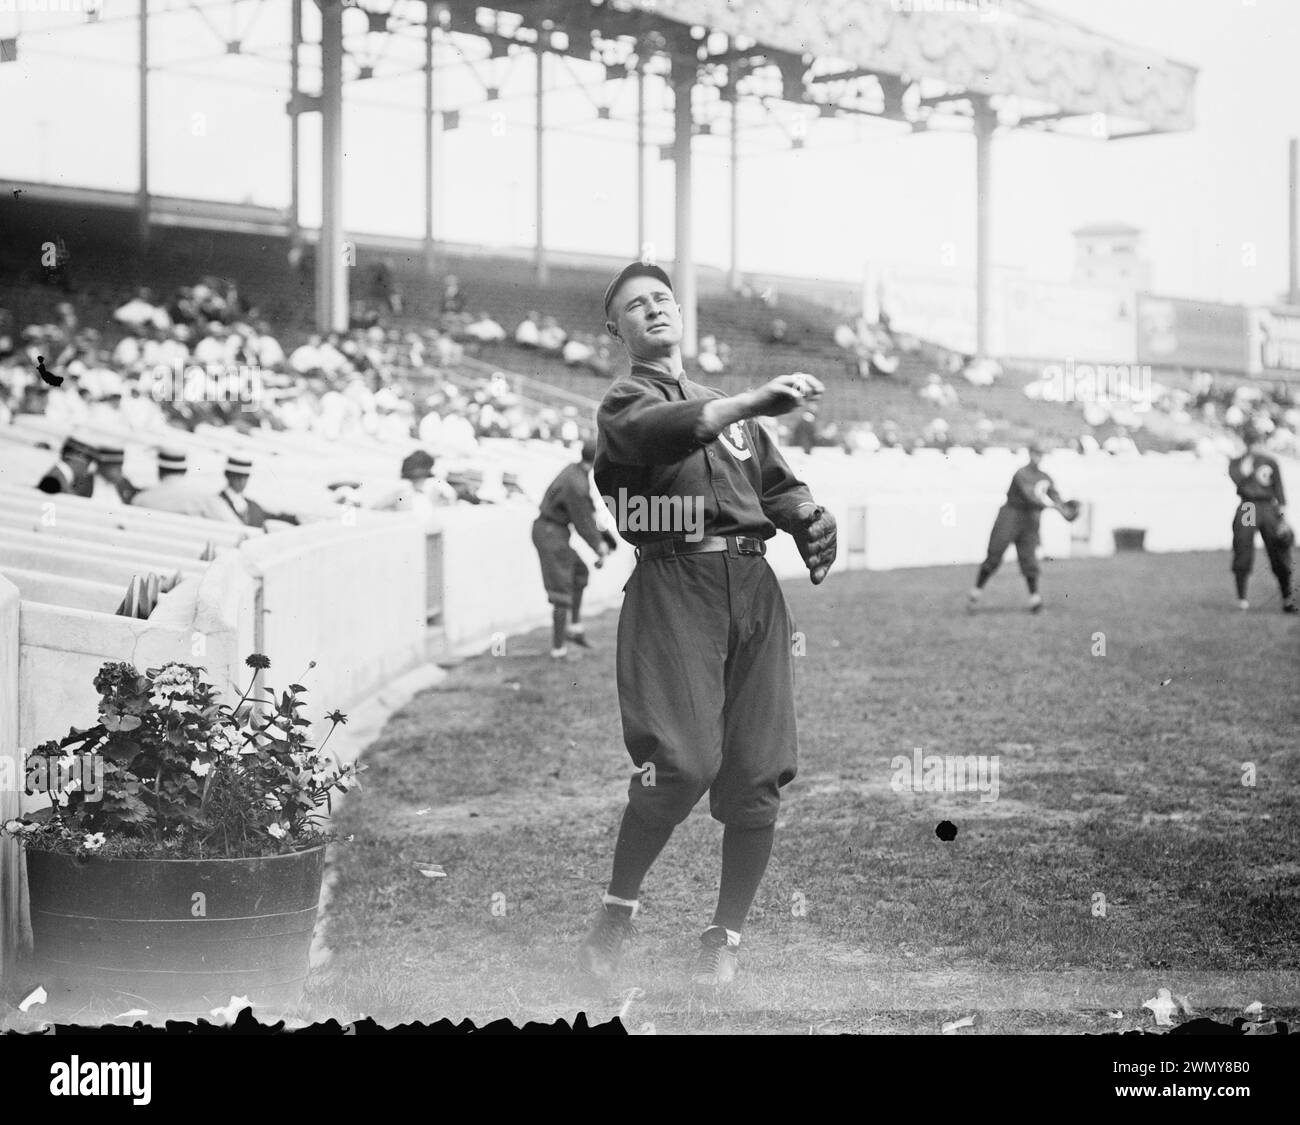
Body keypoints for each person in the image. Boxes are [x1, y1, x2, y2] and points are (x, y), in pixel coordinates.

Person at [577, 261, 837, 990]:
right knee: (680, 761)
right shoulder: (625, 403)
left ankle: (723, 937)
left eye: (662, 298)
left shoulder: (733, 413)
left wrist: (813, 516)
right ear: (616, 329)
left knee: (759, 771)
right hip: (674, 582)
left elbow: (779, 488)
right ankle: (616, 914)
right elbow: (663, 434)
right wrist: (748, 402)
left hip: (753, 585)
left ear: (680, 313)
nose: (653, 309)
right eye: (635, 305)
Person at [531, 440, 613, 659]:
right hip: (551, 533)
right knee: (561, 592)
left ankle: (573, 630)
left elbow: (586, 510)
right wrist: (599, 546)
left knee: (579, 574)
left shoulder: (575, 472)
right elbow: (583, 520)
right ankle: (559, 651)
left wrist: (603, 536)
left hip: (553, 531)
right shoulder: (576, 482)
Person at [968, 439, 1068, 614]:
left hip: (1030, 519)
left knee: (1029, 558)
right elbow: (1030, 496)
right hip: (1011, 515)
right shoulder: (1021, 474)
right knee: (994, 556)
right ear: (1030, 453)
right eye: (1036, 453)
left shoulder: (1045, 477)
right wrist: (1052, 507)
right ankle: (975, 593)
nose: (1039, 457)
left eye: (1041, 454)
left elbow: (1055, 496)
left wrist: (1066, 509)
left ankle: (1035, 600)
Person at [1229, 427, 1296, 613]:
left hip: (1267, 507)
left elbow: (1280, 492)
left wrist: (1283, 519)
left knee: (1278, 549)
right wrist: (1250, 458)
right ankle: (1242, 598)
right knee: (1243, 548)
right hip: (1249, 506)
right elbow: (1239, 478)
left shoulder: (1271, 462)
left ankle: (1287, 597)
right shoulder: (1239, 461)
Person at [130, 449, 243, 523]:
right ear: (185, 471)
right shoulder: (205, 498)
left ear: (159, 471)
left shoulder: (140, 500)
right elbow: (235, 525)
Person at [218, 454, 302, 530]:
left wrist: (297, 518)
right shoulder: (216, 503)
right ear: (228, 476)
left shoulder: (253, 506)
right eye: (237, 476)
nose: (242, 481)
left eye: (245, 477)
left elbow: (273, 515)